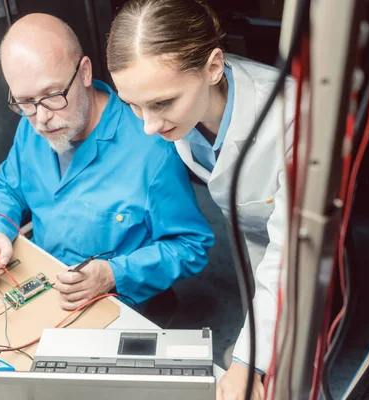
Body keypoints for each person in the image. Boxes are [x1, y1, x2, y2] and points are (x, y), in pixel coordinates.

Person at [107, 1, 294, 399]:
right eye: (133, 105)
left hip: (297, 244)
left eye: (161, 103)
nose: (148, 126)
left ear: (213, 67)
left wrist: (247, 363)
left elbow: (290, 258)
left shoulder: (292, 119)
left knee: (301, 344)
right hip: (252, 231)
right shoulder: (178, 110)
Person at [0, 13, 214, 312]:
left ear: (84, 72)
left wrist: (115, 274)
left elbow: (190, 246)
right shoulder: (31, 125)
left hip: (121, 307)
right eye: (25, 102)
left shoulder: (151, 148)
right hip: (46, 291)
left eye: (53, 95)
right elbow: (6, 187)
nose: (42, 118)